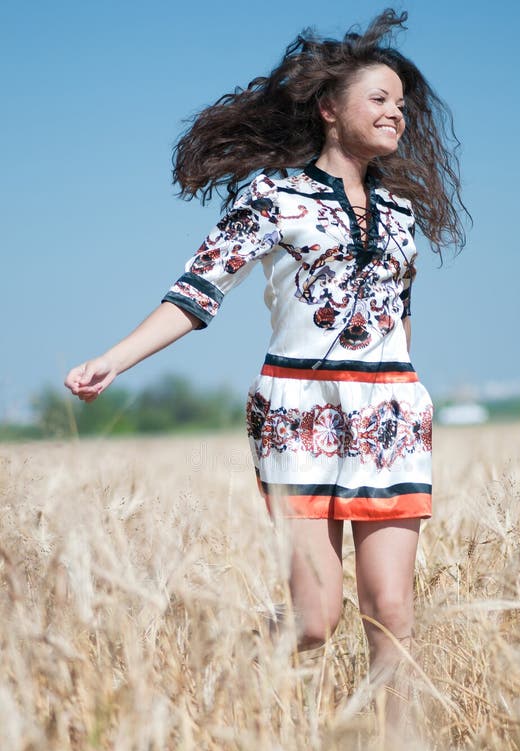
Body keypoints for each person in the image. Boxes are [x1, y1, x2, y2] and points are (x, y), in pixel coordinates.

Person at [65, 9, 467, 684]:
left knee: (393, 613)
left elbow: (400, 315)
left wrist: (408, 392)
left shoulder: (400, 214)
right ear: (328, 109)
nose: (397, 114)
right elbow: (196, 292)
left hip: (390, 416)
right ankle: (214, 660)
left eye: (402, 105)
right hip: (301, 411)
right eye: (380, 99)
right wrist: (113, 357)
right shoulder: (273, 197)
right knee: (314, 621)